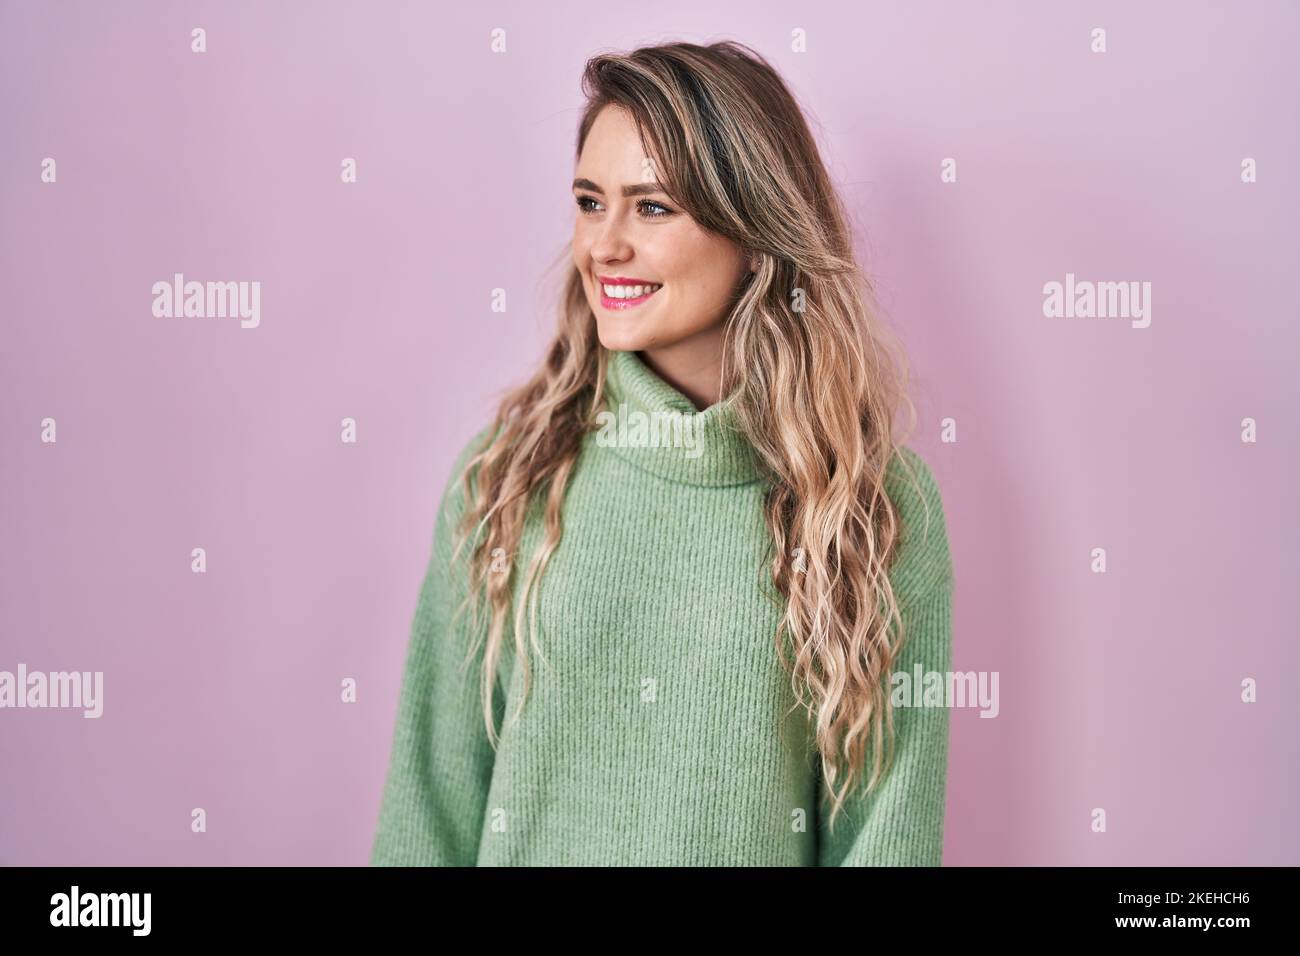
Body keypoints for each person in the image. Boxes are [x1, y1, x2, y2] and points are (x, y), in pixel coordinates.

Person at [371, 39, 954, 866]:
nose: (604, 244)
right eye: (588, 200)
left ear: (755, 232)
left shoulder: (874, 507)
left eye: (651, 207)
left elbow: (887, 838)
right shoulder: (508, 476)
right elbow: (426, 811)